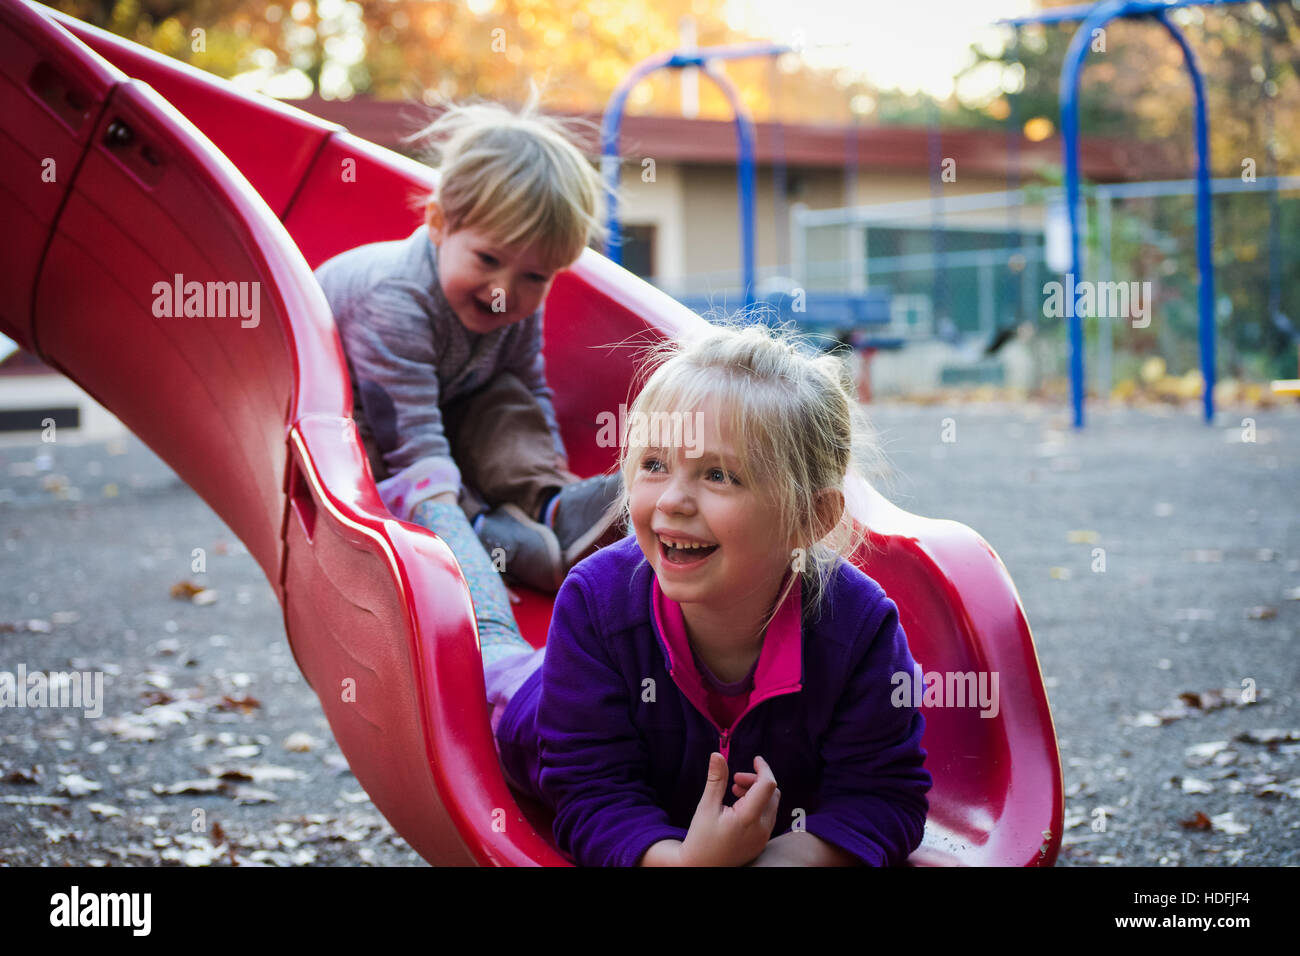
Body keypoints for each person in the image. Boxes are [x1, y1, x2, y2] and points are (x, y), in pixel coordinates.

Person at [490, 319, 932, 866]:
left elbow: (885, 794)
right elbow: (588, 793)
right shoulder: (596, 605)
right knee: (487, 637)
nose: (673, 499)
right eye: (654, 464)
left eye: (718, 475)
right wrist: (682, 863)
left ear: (812, 517)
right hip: (522, 702)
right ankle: (473, 532)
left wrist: (789, 858)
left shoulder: (858, 628)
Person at [314, 88, 622, 666]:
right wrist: (488, 619)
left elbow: (528, 391)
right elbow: (414, 455)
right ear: (437, 224)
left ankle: (550, 511)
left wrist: (544, 475)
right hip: (364, 421)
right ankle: (482, 528)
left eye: (535, 275)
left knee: (505, 400)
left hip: (446, 407)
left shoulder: (511, 302)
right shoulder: (395, 301)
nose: (506, 289)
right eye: (487, 260)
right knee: (372, 458)